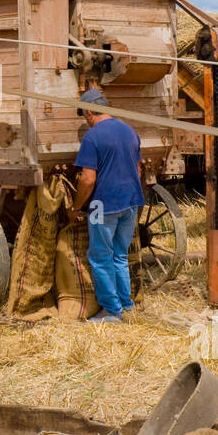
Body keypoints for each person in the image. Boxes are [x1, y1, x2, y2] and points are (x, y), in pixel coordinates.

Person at [72, 87, 145, 324]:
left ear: (91, 113)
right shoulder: (130, 131)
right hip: (130, 202)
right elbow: (138, 170)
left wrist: (75, 207)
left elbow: (87, 179)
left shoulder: (92, 137)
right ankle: (126, 304)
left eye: (85, 115)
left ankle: (111, 311)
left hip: (103, 206)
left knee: (100, 257)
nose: (86, 120)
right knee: (120, 255)